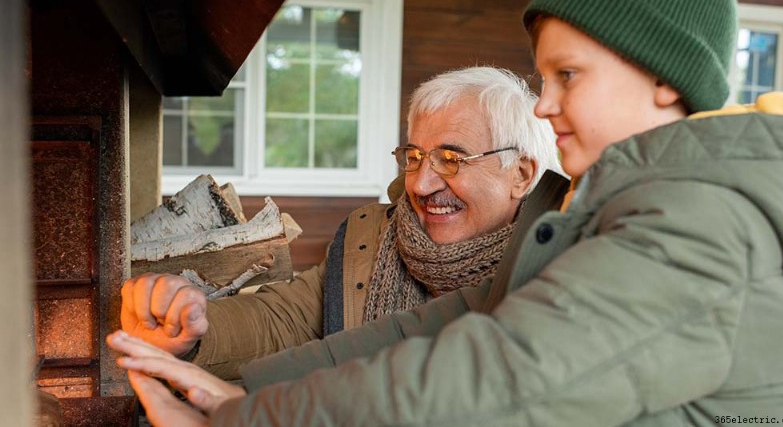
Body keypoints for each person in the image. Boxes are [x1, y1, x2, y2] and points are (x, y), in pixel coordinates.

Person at [108, 0, 783, 425]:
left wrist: (244, 421)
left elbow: (496, 375)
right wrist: (238, 388)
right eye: (414, 156)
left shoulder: (695, 218)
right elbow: (433, 331)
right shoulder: (604, 212)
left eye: (568, 75)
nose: (545, 103)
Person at [120, 66, 565, 379]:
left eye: (451, 159)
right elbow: (283, 320)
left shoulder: (564, 268)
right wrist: (194, 326)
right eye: (414, 157)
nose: (423, 183)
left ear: (521, 175)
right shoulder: (370, 237)